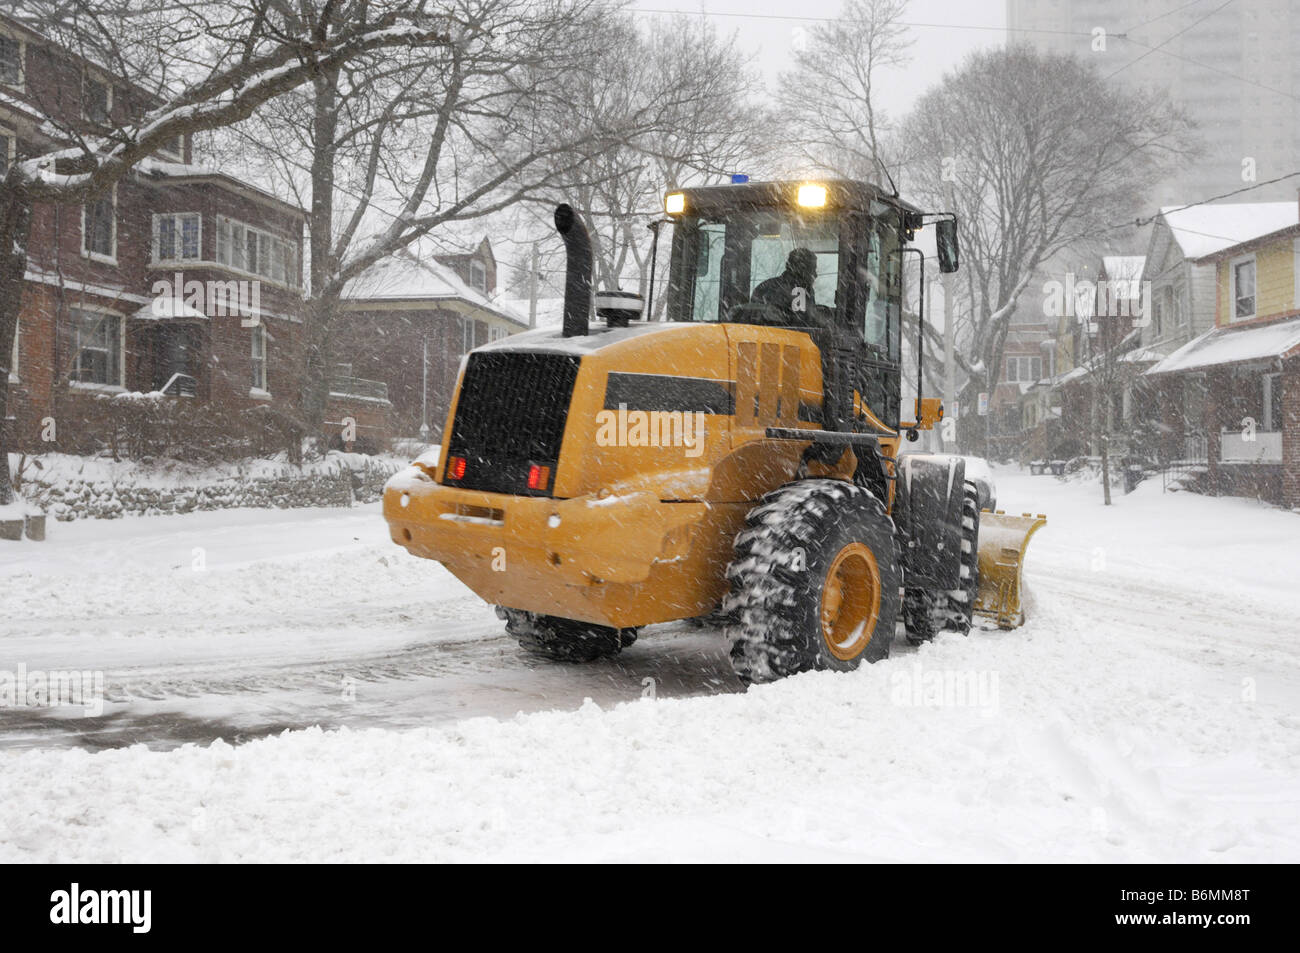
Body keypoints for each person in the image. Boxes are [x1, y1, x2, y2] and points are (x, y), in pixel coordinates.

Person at [750, 247, 818, 324]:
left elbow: (753, 321)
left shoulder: (764, 287)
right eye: (812, 269)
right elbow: (803, 324)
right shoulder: (801, 290)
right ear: (801, 269)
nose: (815, 275)